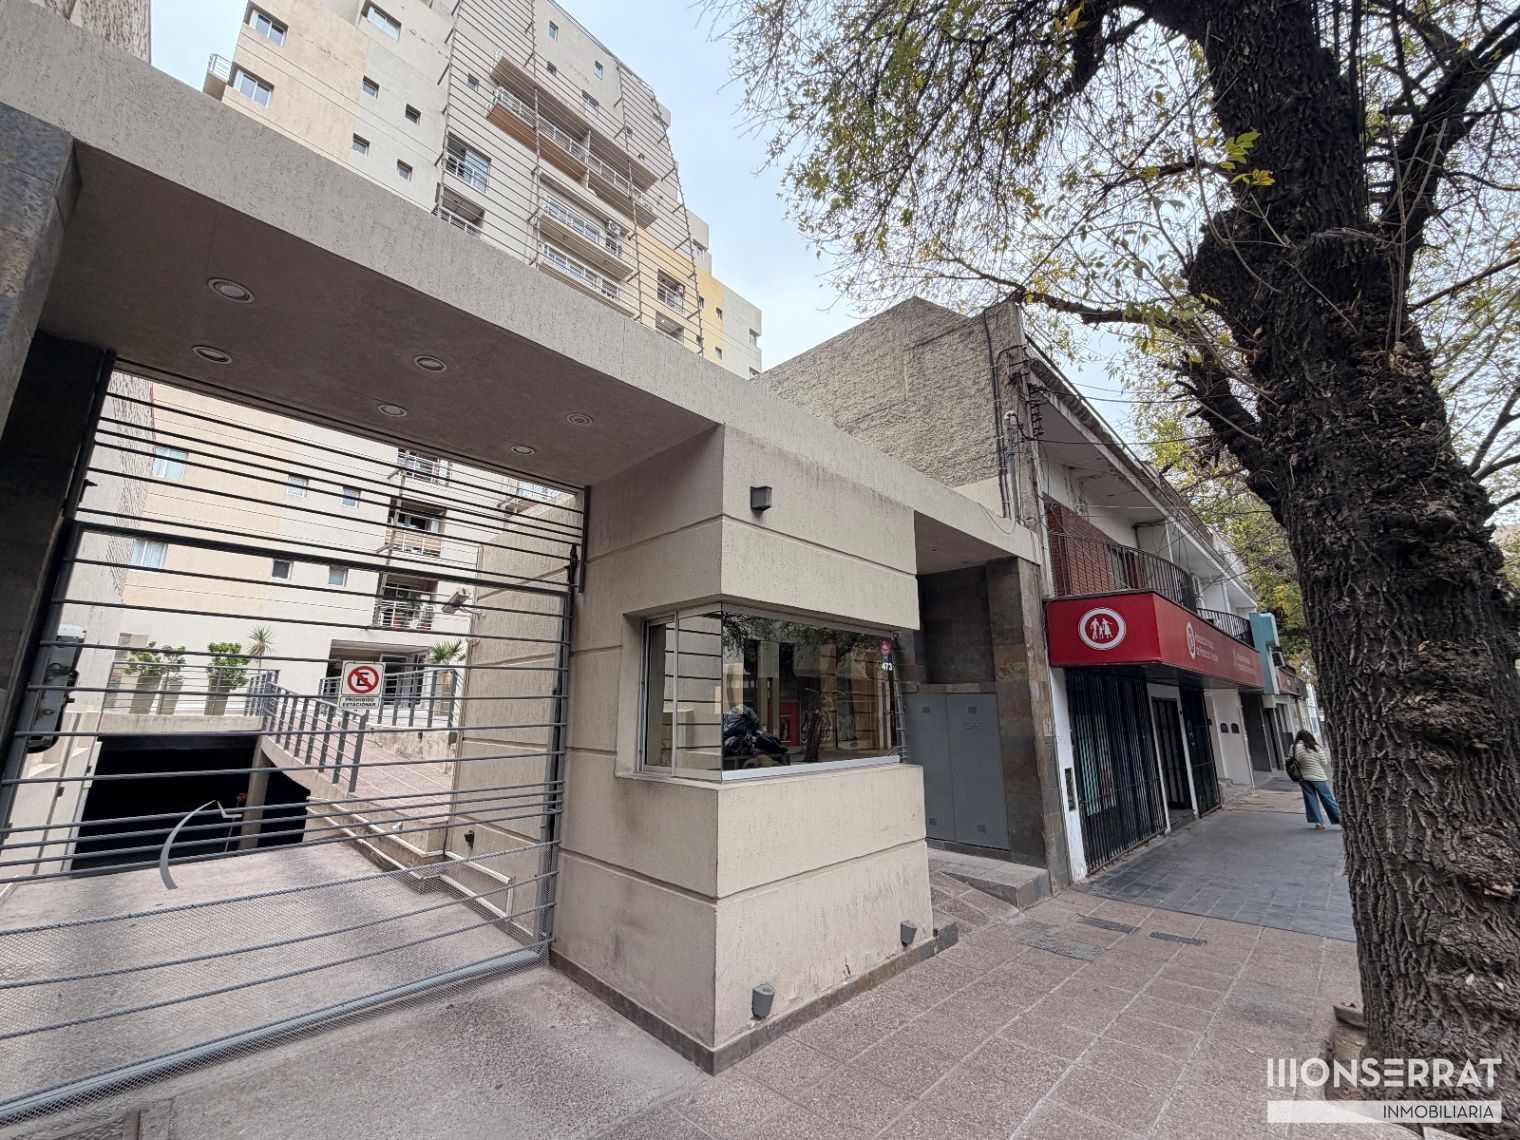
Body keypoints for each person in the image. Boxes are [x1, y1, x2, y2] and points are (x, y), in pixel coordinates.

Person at [1291, 729, 1341, 830]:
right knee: (1327, 799)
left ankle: (1318, 822)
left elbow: (1293, 760)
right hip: (1318, 777)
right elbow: (1324, 762)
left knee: (1311, 799)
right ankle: (1339, 820)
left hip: (1303, 777)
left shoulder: (1294, 747)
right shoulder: (1316, 747)